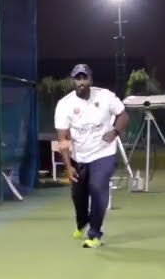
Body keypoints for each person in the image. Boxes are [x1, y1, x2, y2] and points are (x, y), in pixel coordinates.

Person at [53, 64, 128, 247]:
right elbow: (63, 139)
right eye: (78, 79)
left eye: (85, 78)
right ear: (73, 81)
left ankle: (94, 234)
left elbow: (123, 115)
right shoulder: (64, 105)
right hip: (79, 156)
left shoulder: (105, 96)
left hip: (104, 152)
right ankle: (82, 223)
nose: (81, 82)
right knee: (78, 196)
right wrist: (68, 166)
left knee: (98, 187)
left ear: (91, 80)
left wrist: (115, 132)